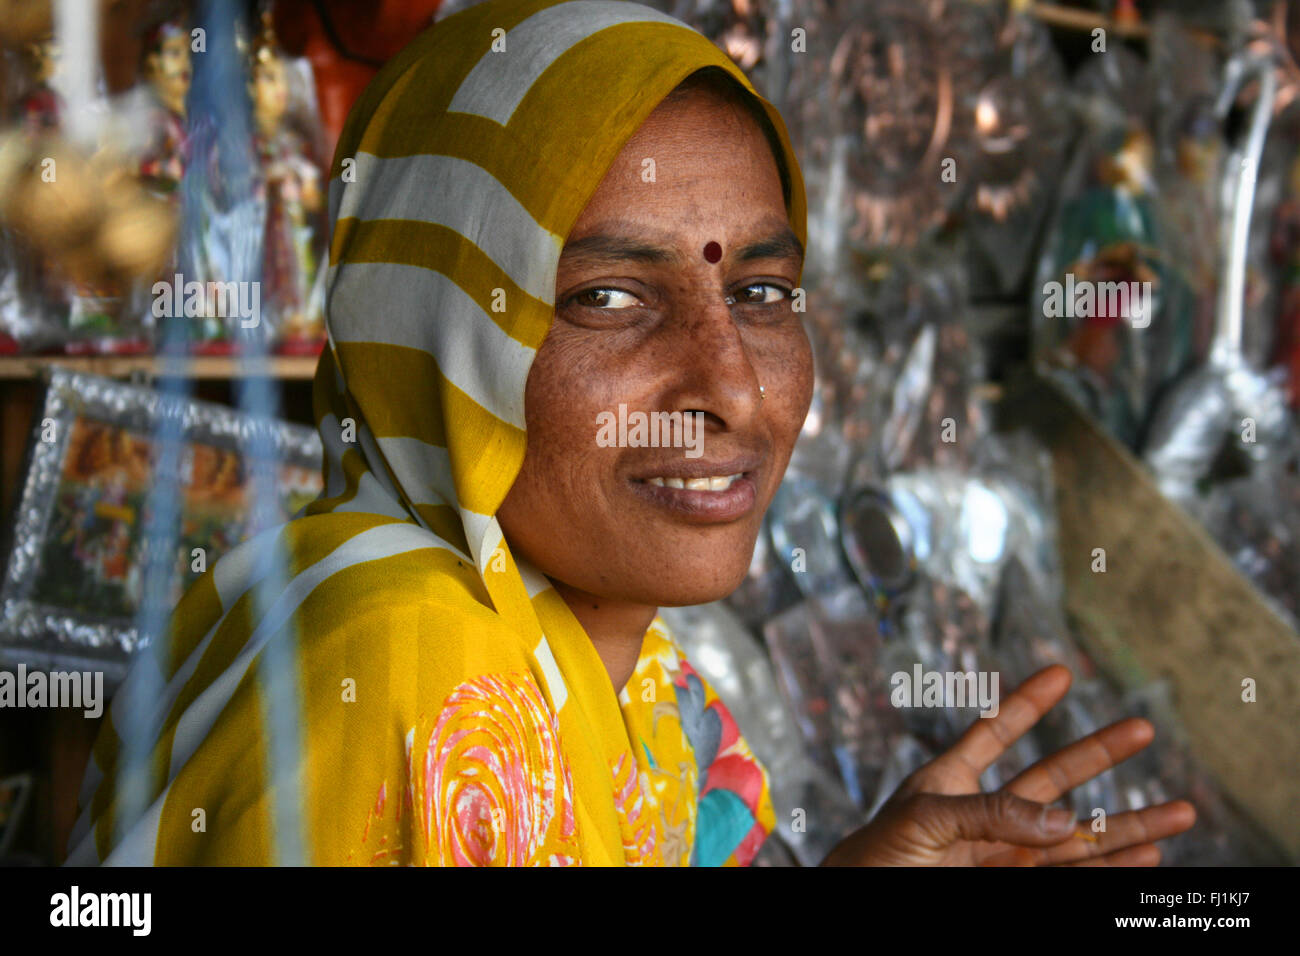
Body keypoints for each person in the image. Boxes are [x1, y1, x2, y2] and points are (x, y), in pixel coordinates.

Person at [68, 0, 1194, 866]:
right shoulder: (412, 665)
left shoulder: (638, 675)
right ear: (443, 331)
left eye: (760, 292)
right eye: (608, 297)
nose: (734, 388)